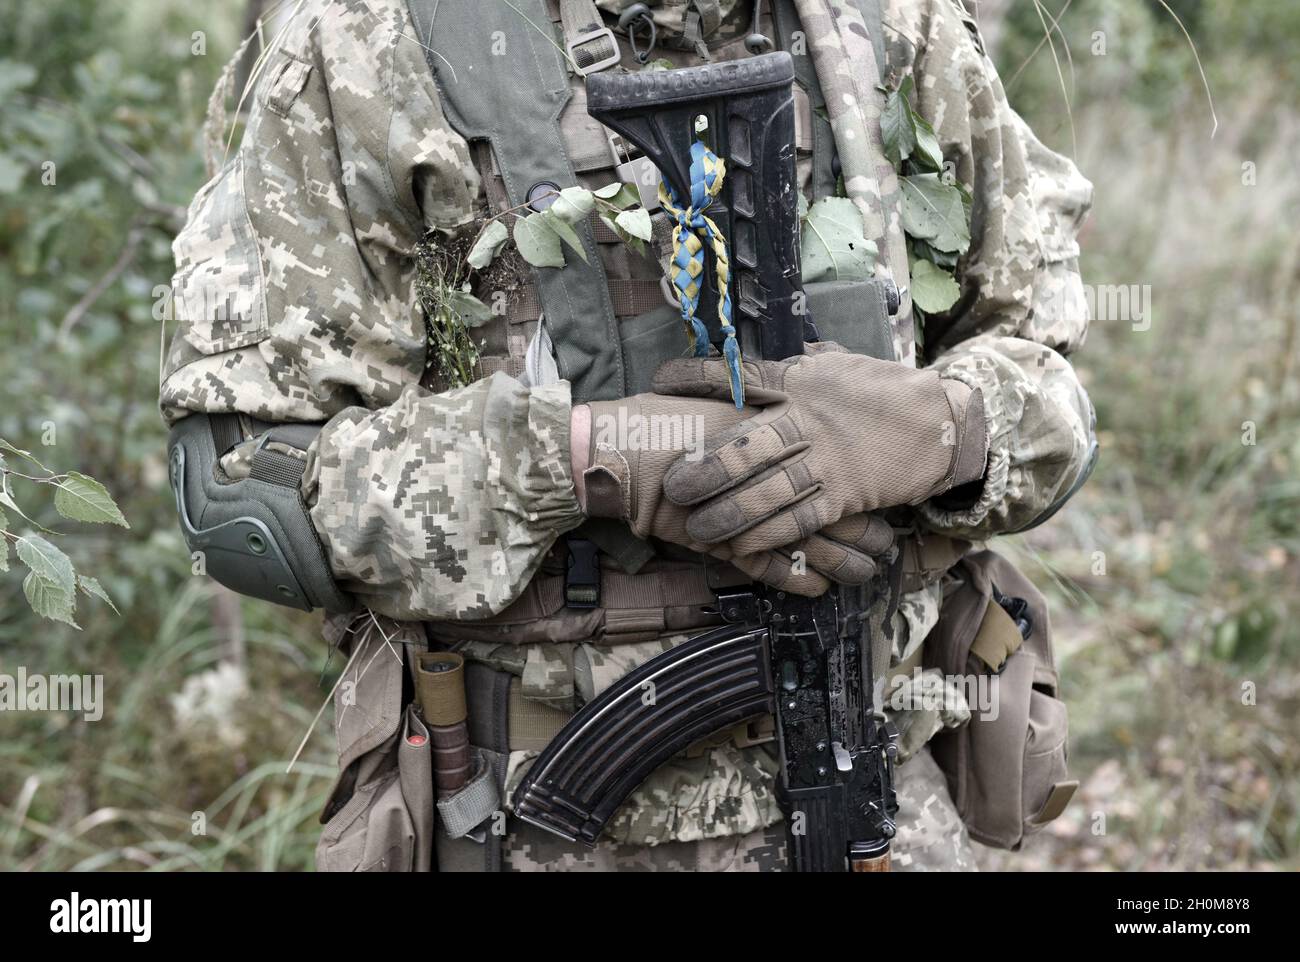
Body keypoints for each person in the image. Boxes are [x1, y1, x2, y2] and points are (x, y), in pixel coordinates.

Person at [162, 0, 1095, 872]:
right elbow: (247, 492)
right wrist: (591, 461)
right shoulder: (378, 41)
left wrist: (944, 431)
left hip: (887, 796)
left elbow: (1049, 381)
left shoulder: (896, 26)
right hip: (523, 816)